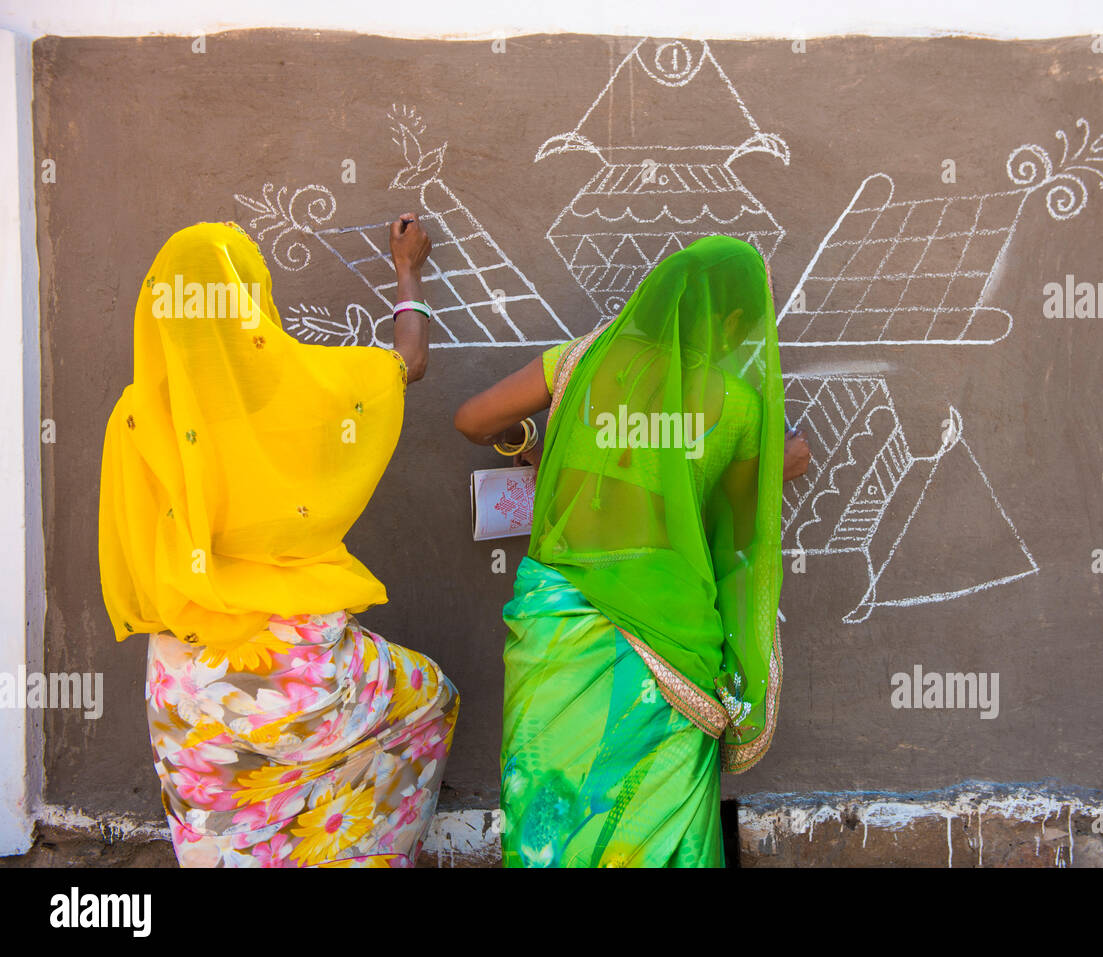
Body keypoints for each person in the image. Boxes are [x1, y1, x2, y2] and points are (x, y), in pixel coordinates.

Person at [98, 217, 459, 867]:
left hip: (184, 680)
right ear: (254, 298)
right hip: (300, 671)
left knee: (220, 819)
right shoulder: (302, 392)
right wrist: (408, 269)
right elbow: (409, 360)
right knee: (429, 698)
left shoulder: (134, 419)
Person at [455, 234, 810, 866]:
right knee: (653, 819)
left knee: (550, 799)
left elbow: (472, 420)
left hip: (558, 622)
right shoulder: (737, 406)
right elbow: (731, 516)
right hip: (670, 633)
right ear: (729, 322)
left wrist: (532, 442)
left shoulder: (577, 363)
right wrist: (784, 465)